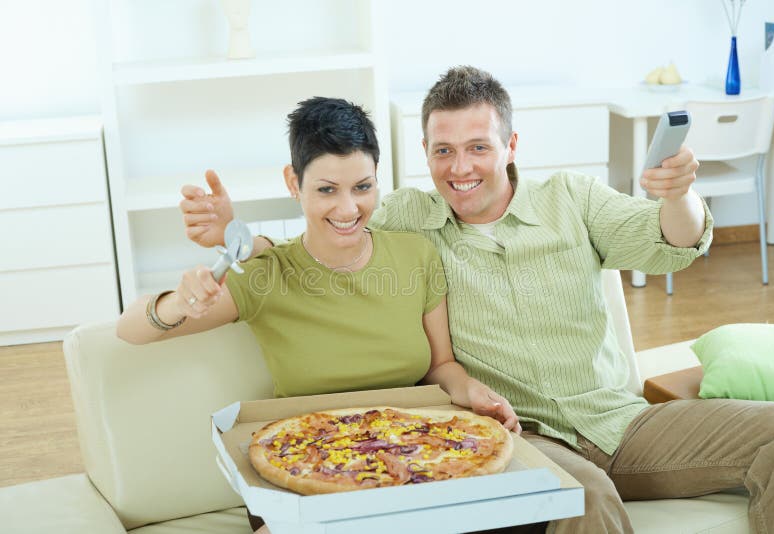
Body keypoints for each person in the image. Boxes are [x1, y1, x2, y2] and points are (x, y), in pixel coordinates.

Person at [181, 69, 774, 534]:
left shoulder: (573, 200)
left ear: (511, 145)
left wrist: (678, 194)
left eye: (478, 146)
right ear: (423, 154)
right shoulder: (405, 220)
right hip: (519, 434)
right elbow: (322, 239)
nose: (460, 167)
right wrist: (239, 239)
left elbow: (672, 240)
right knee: (586, 498)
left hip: (624, 421)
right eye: (442, 150)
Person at [118, 96, 521, 534]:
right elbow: (129, 329)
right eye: (327, 189)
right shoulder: (268, 274)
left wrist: (473, 391)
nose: (348, 209)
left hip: (415, 464)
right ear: (294, 182)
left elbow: (441, 366)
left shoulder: (415, 255)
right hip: (304, 466)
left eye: (362, 187)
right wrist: (179, 301)